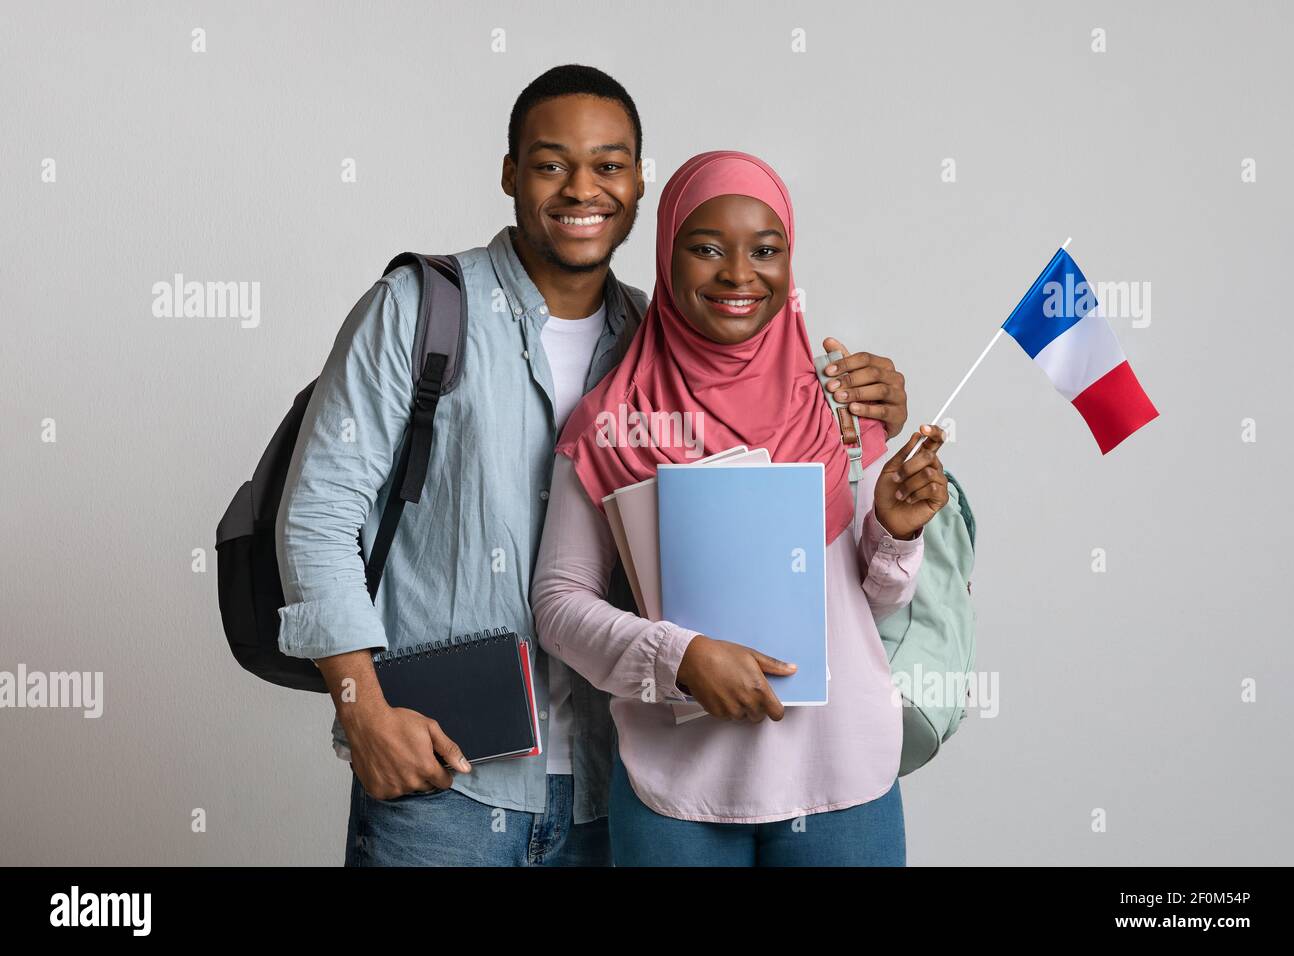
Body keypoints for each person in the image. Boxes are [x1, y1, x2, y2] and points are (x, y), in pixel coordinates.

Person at [277, 64, 911, 866]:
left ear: (640, 186)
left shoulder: (662, 341)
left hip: (611, 789)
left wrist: (869, 414)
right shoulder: (419, 308)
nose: (583, 189)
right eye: (551, 163)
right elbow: (318, 516)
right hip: (448, 774)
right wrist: (363, 713)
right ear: (510, 173)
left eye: (609, 166)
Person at [531, 150, 948, 866]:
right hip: (677, 794)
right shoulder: (611, 419)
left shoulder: (845, 406)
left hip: (842, 778)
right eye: (706, 248)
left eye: (765, 249)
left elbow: (877, 601)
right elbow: (558, 606)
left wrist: (896, 532)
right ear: (666, 257)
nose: (737, 274)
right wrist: (679, 656)